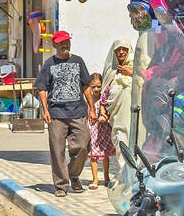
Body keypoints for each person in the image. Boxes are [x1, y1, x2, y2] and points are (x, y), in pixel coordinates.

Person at [35, 30, 94, 197]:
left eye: (67, 41)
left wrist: (92, 108)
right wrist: (45, 110)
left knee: (83, 145)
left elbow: (86, 86)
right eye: (61, 42)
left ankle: (73, 174)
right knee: (57, 151)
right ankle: (61, 185)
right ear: (55, 44)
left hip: (78, 111)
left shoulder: (78, 61)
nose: (65, 45)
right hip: (56, 113)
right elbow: (41, 88)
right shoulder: (49, 64)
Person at [102, 38, 133, 186]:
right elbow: (104, 92)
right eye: (118, 50)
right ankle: (123, 175)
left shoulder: (136, 68)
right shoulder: (111, 71)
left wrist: (132, 73)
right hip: (117, 116)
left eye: (124, 49)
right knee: (121, 141)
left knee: (132, 143)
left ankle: (132, 176)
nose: (121, 52)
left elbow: (145, 84)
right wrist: (102, 110)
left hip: (133, 117)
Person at [86, 73, 113, 189]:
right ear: (89, 87)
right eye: (93, 87)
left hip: (104, 130)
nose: (96, 89)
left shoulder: (105, 98)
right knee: (93, 156)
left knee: (105, 155)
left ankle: (106, 177)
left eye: (99, 86)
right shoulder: (88, 99)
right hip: (92, 129)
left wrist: (105, 117)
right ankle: (95, 179)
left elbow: (110, 111)